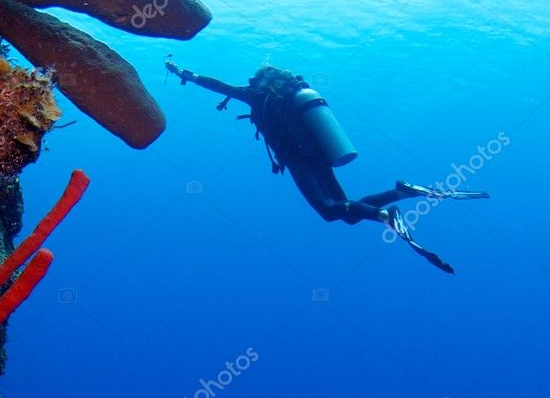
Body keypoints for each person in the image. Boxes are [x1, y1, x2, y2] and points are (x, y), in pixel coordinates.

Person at [164, 60, 489, 274]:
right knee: (346, 213)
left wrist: (185, 74)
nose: (250, 79)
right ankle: (399, 192)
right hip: (318, 155)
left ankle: (384, 214)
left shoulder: (258, 96)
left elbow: (220, 87)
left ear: (261, 80)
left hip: (298, 160)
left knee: (330, 211)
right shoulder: (293, 96)